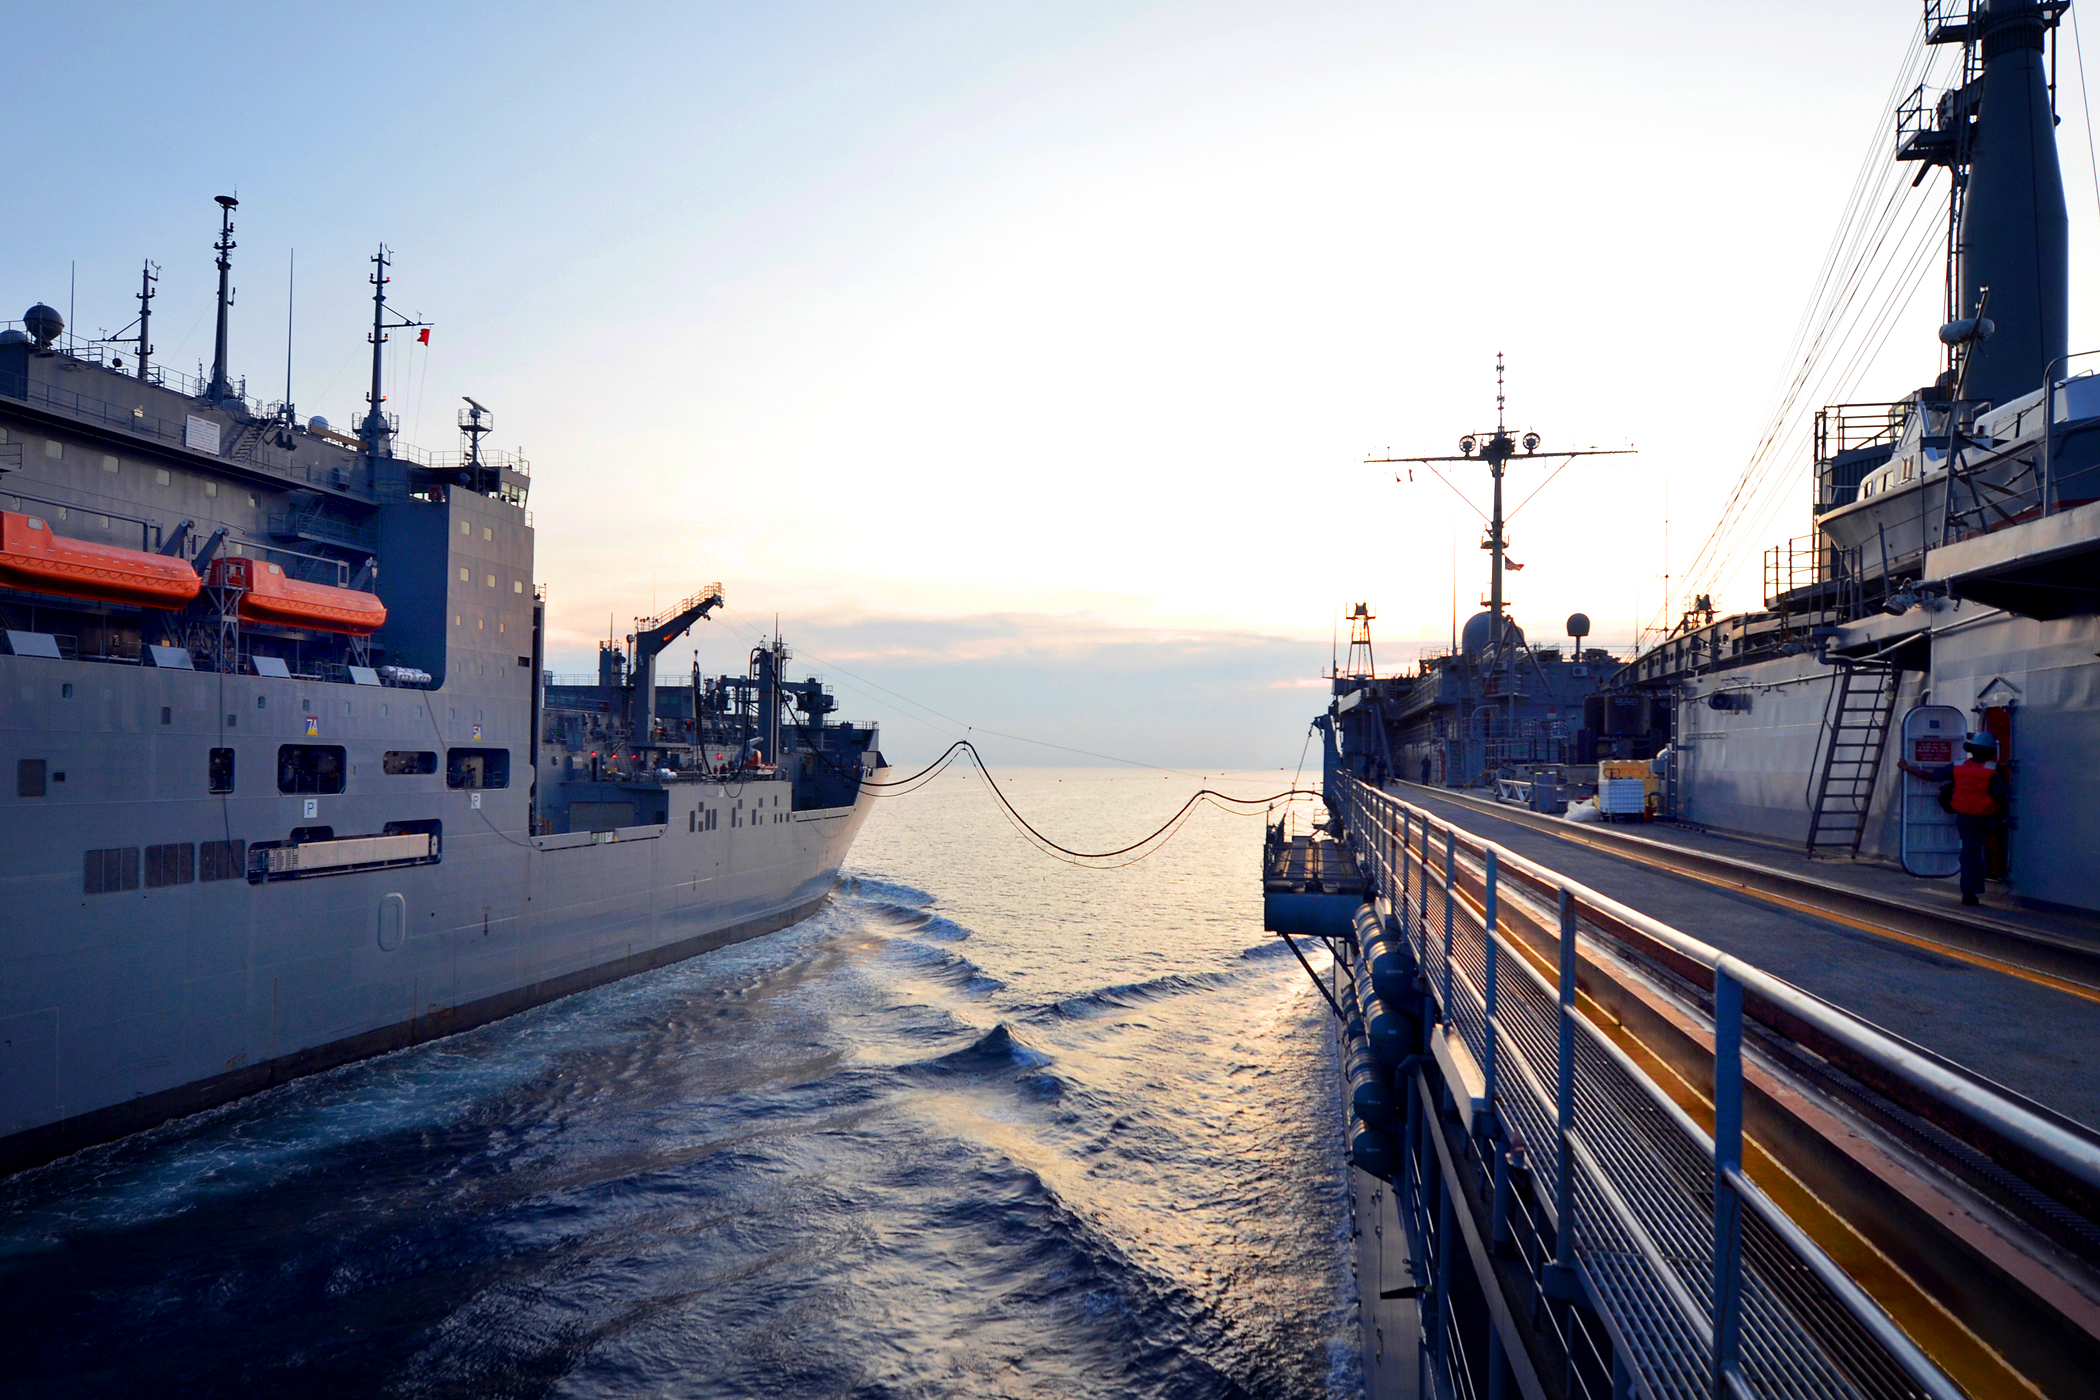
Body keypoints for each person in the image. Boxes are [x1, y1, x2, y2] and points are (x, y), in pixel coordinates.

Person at [1937, 732, 2009, 906]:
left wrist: (1907, 768)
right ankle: (1988, 880)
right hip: (1986, 818)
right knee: (1986, 849)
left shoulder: (1958, 766)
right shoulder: (1994, 769)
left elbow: (1935, 775)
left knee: (1970, 853)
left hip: (1964, 818)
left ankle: (1969, 892)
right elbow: (2002, 795)